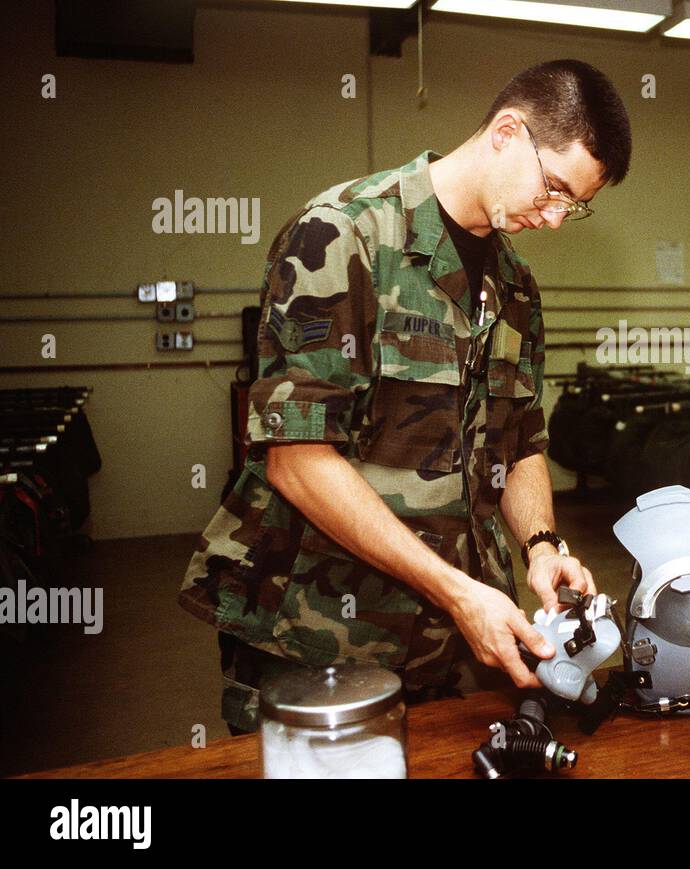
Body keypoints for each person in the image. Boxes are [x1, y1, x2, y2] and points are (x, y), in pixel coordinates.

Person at [178, 60, 632, 735]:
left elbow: (520, 440)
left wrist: (541, 546)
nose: (556, 218)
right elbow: (296, 461)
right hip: (319, 639)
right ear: (507, 132)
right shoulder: (343, 236)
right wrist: (457, 592)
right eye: (555, 189)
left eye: (575, 205)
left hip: (454, 650)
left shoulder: (514, 285)